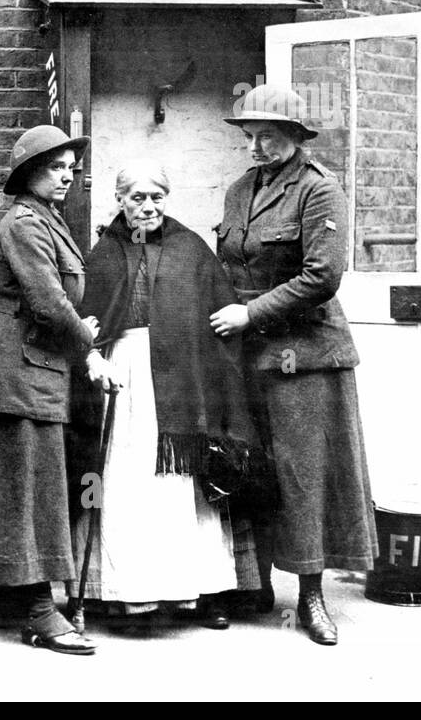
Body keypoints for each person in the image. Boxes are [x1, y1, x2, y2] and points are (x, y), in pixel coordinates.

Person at [210, 84, 377, 645]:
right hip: (248, 357)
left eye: (269, 137)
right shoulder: (238, 191)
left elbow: (322, 277)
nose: (256, 147)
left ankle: (311, 597)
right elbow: (227, 264)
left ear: (297, 138)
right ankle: (252, 584)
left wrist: (248, 314)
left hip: (305, 358)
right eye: (250, 137)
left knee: (303, 475)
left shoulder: (319, 190)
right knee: (251, 469)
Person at [67, 160, 262, 631]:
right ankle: (122, 595)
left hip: (184, 382)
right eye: (138, 198)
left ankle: (200, 592)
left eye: (156, 197)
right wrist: (94, 353)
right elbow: (86, 319)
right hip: (124, 378)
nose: (148, 207)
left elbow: (221, 312)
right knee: (124, 483)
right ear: (120, 200)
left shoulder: (190, 248)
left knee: (184, 487)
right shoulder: (104, 252)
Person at [0, 125, 99, 656]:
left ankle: (13, 594)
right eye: (56, 166)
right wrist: (91, 348)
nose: (68, 173)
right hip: (14, 366)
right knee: (24, 487)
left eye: (70, 166)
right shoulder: (25, 223)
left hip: (32, 361)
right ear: (28, 173)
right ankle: (37, 609)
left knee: (23, 482)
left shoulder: (49, 220)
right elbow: (49, 302)